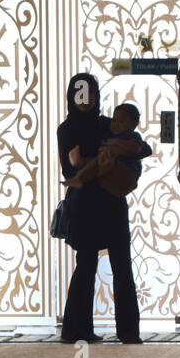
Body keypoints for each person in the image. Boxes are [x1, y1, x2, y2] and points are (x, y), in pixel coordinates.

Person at [56, 75, 152, 344]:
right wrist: (104, 163)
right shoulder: (67, 129)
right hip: (86, 206)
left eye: (89, 95)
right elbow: (69, 168)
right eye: (79, 95)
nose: (85, 101)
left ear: (96, 96)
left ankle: (129, 332)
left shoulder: (106, 124)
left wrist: (110, 156)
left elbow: (140, 146)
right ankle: (77, 330)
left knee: (122, 266)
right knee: (86, 266)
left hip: (110, 204)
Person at [63, 102, 144, 197]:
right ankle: (79, 176)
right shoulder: (106, 131)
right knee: (97, 162)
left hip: (128, 169)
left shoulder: (133, 136)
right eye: (114, 120)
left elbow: (138, 148)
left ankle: (81, 170)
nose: (116, 124)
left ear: (134, 124)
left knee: (100, 160)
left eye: (121, 122)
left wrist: (116, 144)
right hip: (104, 172)